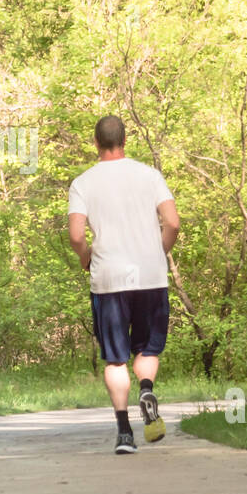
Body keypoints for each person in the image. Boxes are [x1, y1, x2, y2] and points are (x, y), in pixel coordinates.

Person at [67, 115, 180, 454]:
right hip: (150, 276)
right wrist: (156, 252)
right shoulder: (150, 175)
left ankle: (124, 434)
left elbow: (75, 235)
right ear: (125, 140)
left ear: (95, 142)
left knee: (116, 359)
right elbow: (172, 222)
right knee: (146, 349)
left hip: (108, 279)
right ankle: (146, 388)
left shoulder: (83, 182)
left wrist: (85, 255)